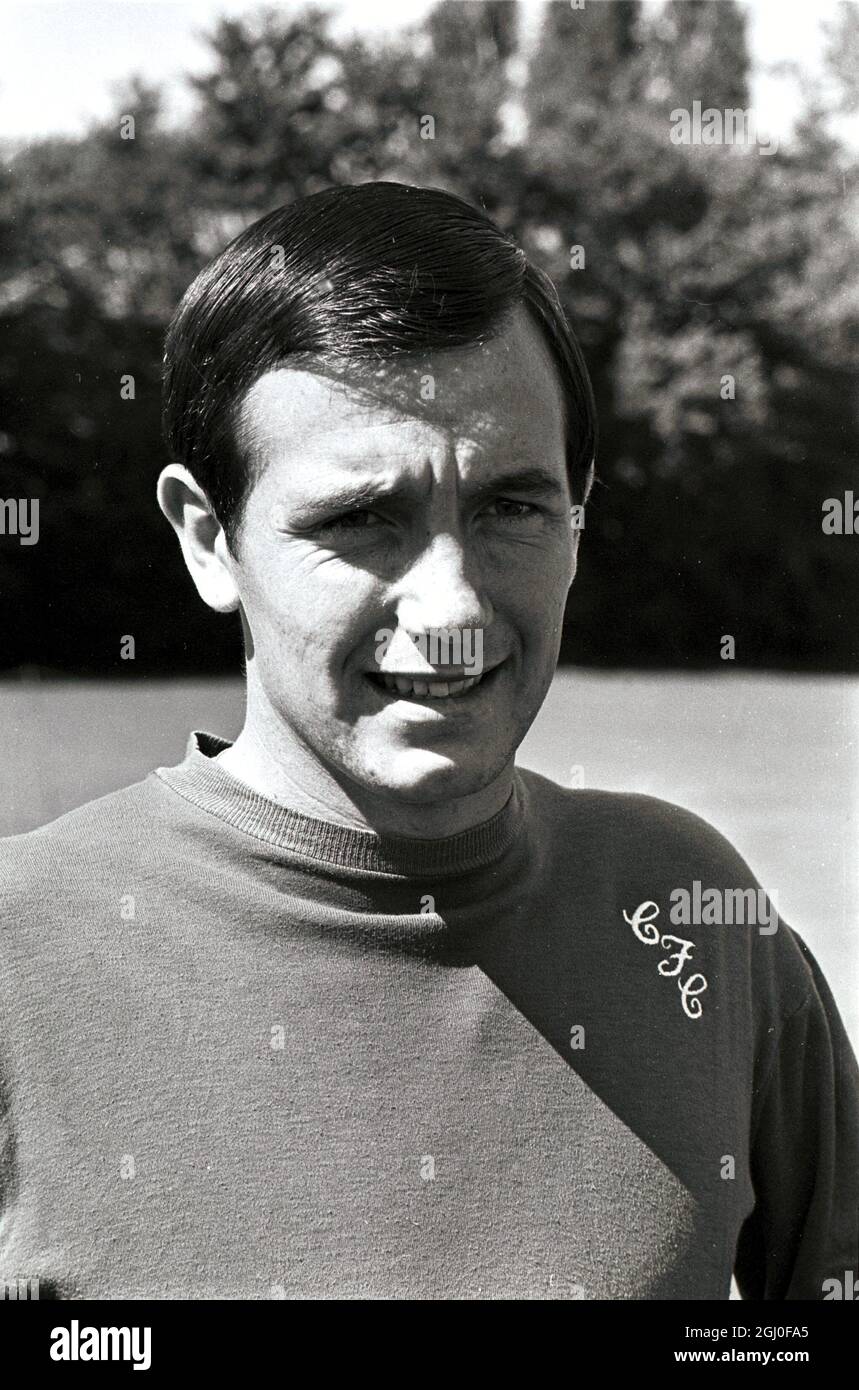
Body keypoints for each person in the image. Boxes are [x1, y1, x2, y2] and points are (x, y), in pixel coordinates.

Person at [0, 182, 856, 1300]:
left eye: (512, 509)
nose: (450, 609)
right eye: (361, 519)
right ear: (209, 541)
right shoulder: (25, 955)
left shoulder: (692, 912)